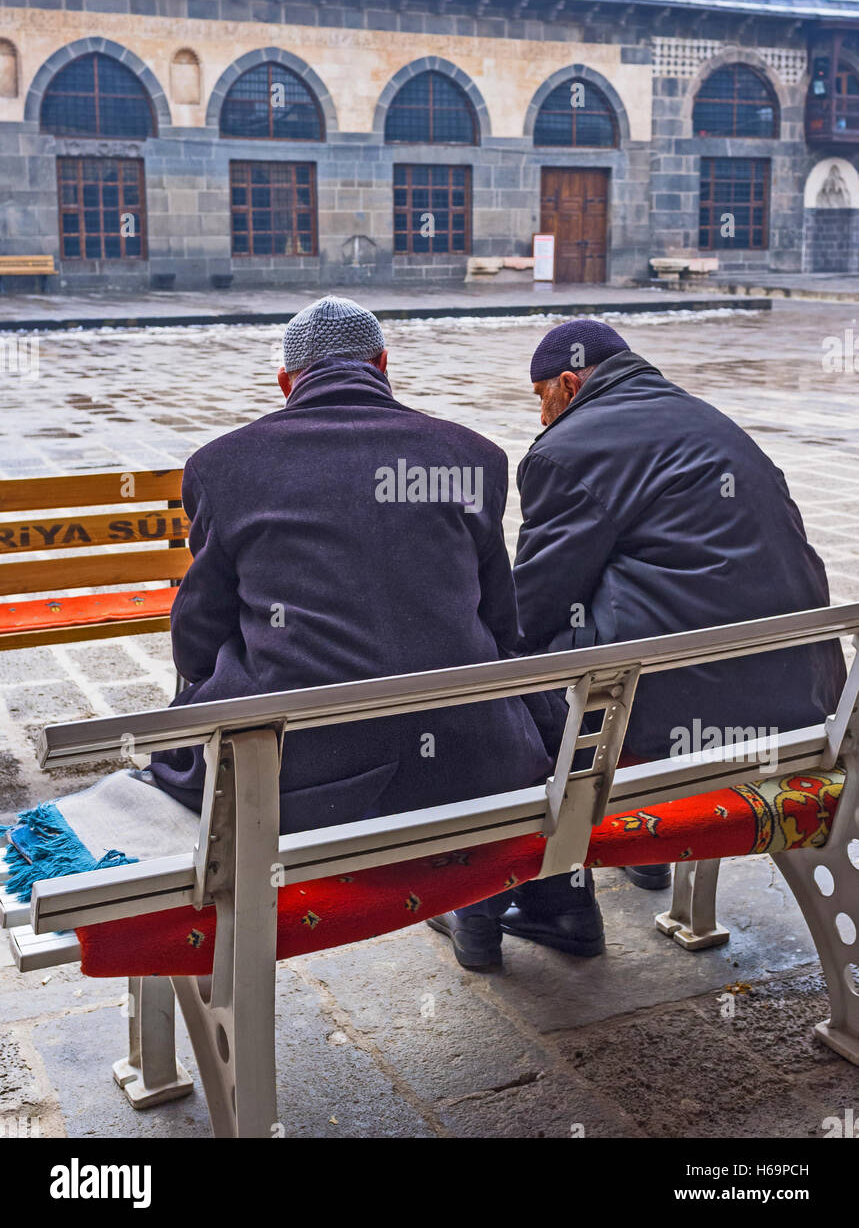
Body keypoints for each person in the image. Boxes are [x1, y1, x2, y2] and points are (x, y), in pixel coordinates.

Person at [431, 318, 846, 969]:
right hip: (802, 704)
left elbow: (533, 609)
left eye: (539, 397)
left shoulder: (564, 450)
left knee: (512, 686)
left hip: (677, 726)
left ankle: (483, 905)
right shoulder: (706, 419)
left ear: (567, 384)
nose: (541, 417)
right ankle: (626, 875)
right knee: (622, 623)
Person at [149, 296, 552, 836]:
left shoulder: (220, 465)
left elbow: (196, 639)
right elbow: (504, 623)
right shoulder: (472, 454)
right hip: (473, 760)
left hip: (296, 777)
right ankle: (525, 913)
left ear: (285, 382)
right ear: (383, 366)